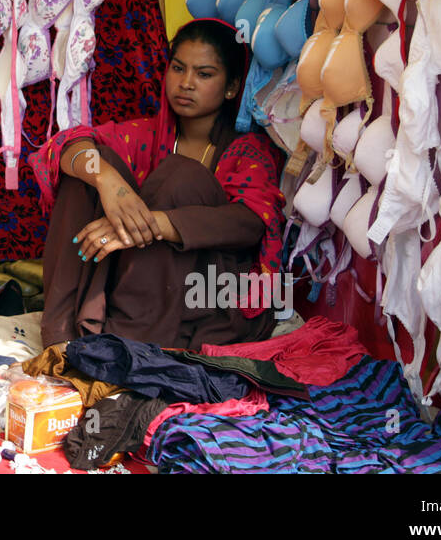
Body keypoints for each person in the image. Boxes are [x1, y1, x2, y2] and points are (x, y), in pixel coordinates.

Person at [32, 18, 286, 351]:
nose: (187, 83)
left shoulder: (247, 150)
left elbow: (251, 223)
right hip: (129, 285)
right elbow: (66, 145)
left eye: (204, 74)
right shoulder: (147, 136)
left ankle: (128, 343)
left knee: (183, 177)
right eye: (178, 69)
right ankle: (61, 333)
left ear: (232, 87)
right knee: (92, 164)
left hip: (206, 297)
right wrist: (108, 183)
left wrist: (155, 224)